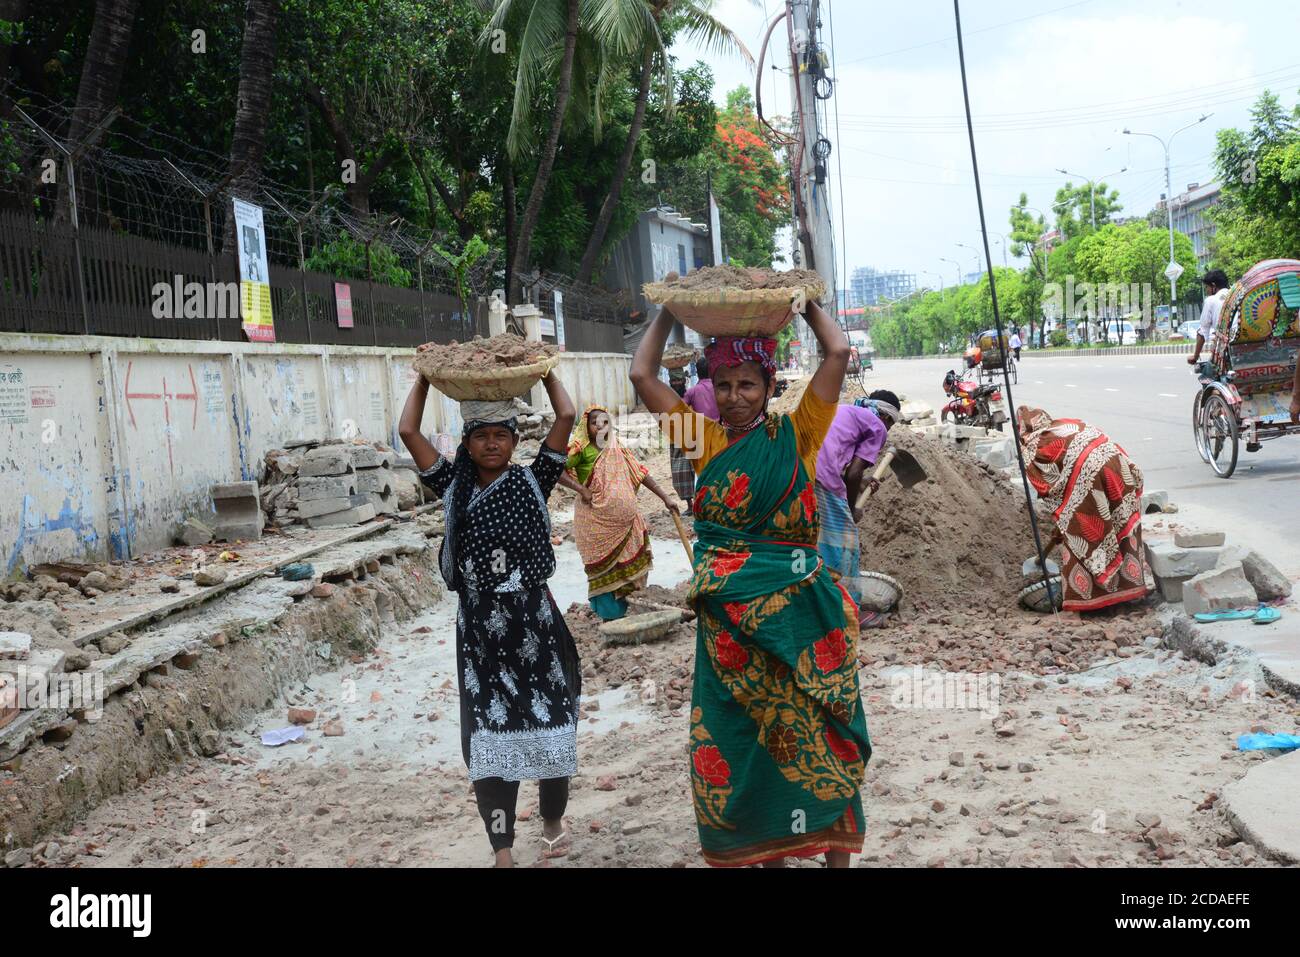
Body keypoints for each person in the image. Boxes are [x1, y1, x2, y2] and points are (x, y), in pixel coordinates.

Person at [629, 298, 870, 869]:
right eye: (725, 384)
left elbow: (837, 349)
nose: (735, 397)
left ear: (769, 384)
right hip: (731, 634)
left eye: (748, 384)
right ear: (711, 386)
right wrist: (668, 309)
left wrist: (806, 303)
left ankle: (835, 858)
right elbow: (641, 374)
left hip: (801, 623)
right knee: (748, 744)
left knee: (820, 734)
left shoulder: (802, 433)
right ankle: (771, 856)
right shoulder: (704, 440)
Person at [398, 361, 580, 868]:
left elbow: (566, 414)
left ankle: (551, 818)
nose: (493, 445)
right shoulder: (452, 485)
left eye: (503, 435)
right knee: (487, 737)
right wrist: (425, 379)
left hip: (534, 626)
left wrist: (544, 372)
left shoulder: (533, 481)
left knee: (551, 725)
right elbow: (408, 430)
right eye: (483, 436)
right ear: (468, 441)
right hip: (480, 635)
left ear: (516, 441)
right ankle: (502, 848)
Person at [1018, 406, 1152, 612]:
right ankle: (1128, 593)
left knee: (1078, 531)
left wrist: (1063, 520)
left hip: (1092, 475)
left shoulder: (1032, 447)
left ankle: (1081, 606)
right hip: (1119, 466)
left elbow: (1048, 488)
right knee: (1119, 524)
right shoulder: (1066, 424)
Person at [557, 406, 681, 621]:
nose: (600, 426)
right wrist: (581, 489)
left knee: (634, 567)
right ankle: (610, 616)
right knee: (604, 571)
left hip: (628, 524)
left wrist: (666, 498)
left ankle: (630, 610)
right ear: (586, 426)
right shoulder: (581, 449)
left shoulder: (619, 448)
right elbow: (556, 470)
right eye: (595, 422)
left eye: (605, 422)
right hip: (596, 523)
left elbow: (640, 473)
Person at [813, 392, 896, 612]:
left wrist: (861, 481)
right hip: (822, 477)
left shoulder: (847, 412)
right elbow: (852, 474)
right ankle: (846, 608)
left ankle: (810, 602)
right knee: (844, 540)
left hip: (798, 469)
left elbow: (836, 460)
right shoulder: (878, 426)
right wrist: (850, 511)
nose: (887, 431)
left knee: (809, 540)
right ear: (887, 418)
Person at [677, 356, 719, 513]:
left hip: (700, 436)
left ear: (697, 372)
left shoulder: (693, 391)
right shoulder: (719, 388)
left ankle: (701, 504)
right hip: (721, 433)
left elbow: (679, 408)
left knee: (700, 470)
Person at [1188, 269, 1231, 366]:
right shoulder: (1237, 295)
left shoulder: (1211, 300)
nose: (1207, 291)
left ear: (1213, 286)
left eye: (1207, 287)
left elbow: (1202, 332)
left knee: (1208, 372)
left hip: (1225, 350)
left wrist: (1195, 357)